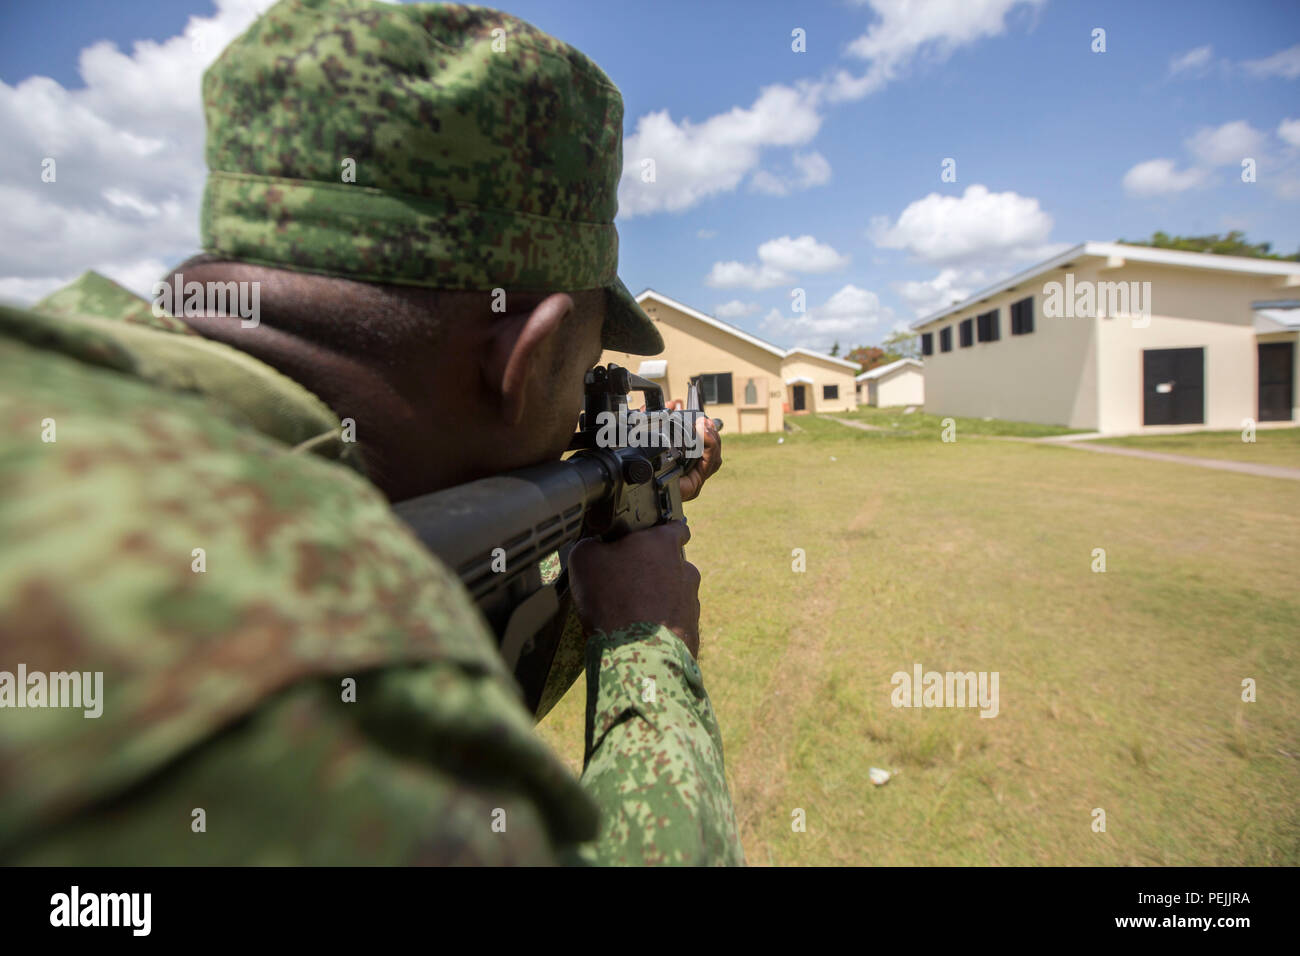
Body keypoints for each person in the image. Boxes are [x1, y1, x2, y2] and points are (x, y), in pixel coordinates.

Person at [0, 0, 742, 865]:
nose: (581, 412)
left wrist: (612, 540)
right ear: (529, 359)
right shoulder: (284, 678)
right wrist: (650, 642)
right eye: (581, 381)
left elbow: (440, 640)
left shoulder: (71, 390)